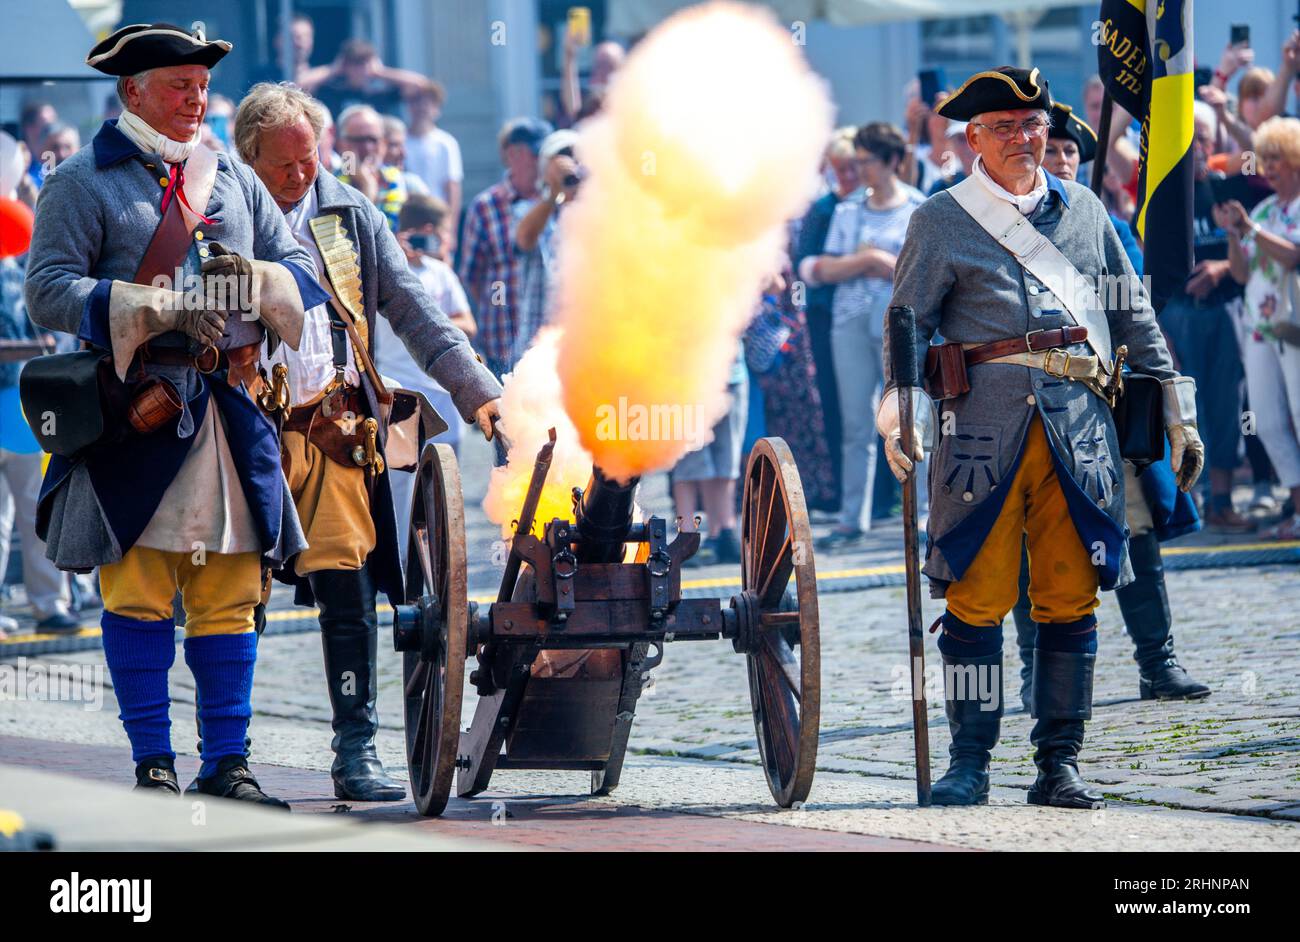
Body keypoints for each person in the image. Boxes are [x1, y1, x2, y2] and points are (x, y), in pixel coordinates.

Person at [880, 67, 1204, 809]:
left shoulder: (1084, 210)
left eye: (1033, 124)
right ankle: (970, 763)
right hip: (979, 437)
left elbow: (1131, 314)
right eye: (1005, 126)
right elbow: (907, 322)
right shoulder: (940, 219)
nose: (1025, 138)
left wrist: (1176, 404)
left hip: (1078, 435)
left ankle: (1059, 763)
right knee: (974, 601)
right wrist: (905, 404)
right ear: (974, 139)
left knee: (1068, 599)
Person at [23, 23, 330, 805]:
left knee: (230, 596)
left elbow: (302, 269)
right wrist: (150, 306)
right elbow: (48, 289)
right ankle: (152, 767)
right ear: (134, 92)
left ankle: (228, 763)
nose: (197, 100)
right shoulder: (81, 179)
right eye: (179, 86)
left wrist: (257, 277)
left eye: (201, 86)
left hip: (225, 409)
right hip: (137, 412)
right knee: (138, 595)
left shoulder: (229, 175)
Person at [236, 82, 502, 801]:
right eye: (283, 166)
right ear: (248, 157)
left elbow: (419, 315)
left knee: (347, 584)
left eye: (309, 160)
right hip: (242, 427)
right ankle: (225, 757)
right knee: (233, 594)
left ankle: (355, 752)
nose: (300, 177)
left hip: (333, 425)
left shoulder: (350, 214)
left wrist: (484, 397)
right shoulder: (221, 213)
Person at [1011, 102, 1210, 704]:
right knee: (1026, 537)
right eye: (1054, 150)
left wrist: (1169, 398)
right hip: (1023, 406)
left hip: (1100, 401)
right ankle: (1032, 670)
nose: (1063, 159)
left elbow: (1136, 312)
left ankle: (1159, 661)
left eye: (1071, 152)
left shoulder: (1100, 222)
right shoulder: (985, 221)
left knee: (1133, 525)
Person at [802, 122, 925, 550]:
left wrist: (869, 261)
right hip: (849, 323)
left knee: (911, 419)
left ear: (891, 161)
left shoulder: (917, 207)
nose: (862, 170)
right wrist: (873, 261)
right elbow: (823, 269)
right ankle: (853, 517)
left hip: (900, 324)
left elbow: (919, 272)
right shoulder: (847, 209)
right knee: (857, 423)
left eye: (868, 161)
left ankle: (923, 514)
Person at [1217, 116, 1300, 541]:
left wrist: (1252, 229)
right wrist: (1236, 234)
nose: (1268, 166)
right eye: (1264, 158)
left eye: (1276, 158)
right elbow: (1243, 274)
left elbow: (1292, 256)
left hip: (1295, 330)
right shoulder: (1265, 210)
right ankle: (1297, 507)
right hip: (1260, 331)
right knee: (1266, 421)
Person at [792, 127, 860, 515]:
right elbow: (807, 263)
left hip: (866, 317)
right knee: (833, 404)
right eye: (840, 170)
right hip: (825, 315)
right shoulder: (822, 209)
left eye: (853, 168)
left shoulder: (872, 204)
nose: (847, 177)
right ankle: (834, 487)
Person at [459, 118, 551, 380]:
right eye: (538, 155)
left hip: (551, 340)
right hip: (502, 343)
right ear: (514, 155)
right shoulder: (486, 205)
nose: (544, 164)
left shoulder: (558, 200)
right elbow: (471, 276)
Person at [304, 39, 429, 120]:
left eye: (365, 64)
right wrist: (334, 69)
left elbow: (421, 84)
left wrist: (381, 71)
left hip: (375, 155)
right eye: (356, 64)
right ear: (345, 66)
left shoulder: (378, 95)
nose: (361, 70)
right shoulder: (333, 93)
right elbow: (300, 83)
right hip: (345, 156)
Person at [404, 81, 463, 241]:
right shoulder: (400, 140)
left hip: (436, 220)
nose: (422, 108)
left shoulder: (446, 143)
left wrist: (451, 230)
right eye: (416, 102)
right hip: (406, 220)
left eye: (428, 103)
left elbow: (452, 187)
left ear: (437, 108)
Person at [335, 104, 409, 231]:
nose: (367, 148)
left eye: (373, 139)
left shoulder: (396, 179)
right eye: (359, 140)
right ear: (341, 144)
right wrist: (366, 185)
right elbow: (354, 234)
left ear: (383, 143)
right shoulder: (330, 184)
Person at [382, 115, 430, 196]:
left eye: (403, 145)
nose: (403, 154)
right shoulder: (359, 184)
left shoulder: (412, 185)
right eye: (394, 145)